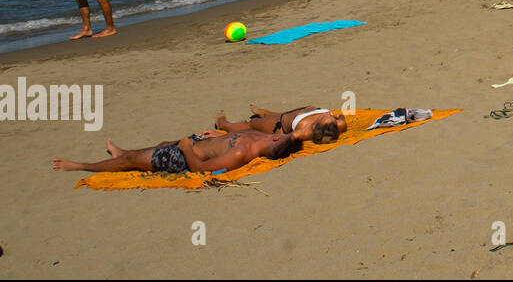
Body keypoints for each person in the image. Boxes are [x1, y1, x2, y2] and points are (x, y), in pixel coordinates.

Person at [52, 129, 301, 175]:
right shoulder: (260, 139)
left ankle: (81, 165)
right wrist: (220, 136)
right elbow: (237, 135)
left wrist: (185, 148)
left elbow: (200, 169)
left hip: (183, 157)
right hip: (193, 144)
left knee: (133, 161)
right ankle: (122, 151)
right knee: (160, 144)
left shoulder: (241, 155)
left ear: (276, 139)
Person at [214, 105, 347, 144]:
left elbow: (286, 139)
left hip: (278, 125)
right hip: (293, 114)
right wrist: (336, 117)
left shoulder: (305, 130)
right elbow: (342, 118)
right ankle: (266, 113)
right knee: (283, 114)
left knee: (251, 124)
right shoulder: (338, 125)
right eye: (329, 116)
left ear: (316, 126)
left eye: (324, 118)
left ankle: (223, 124)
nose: (326, 114)